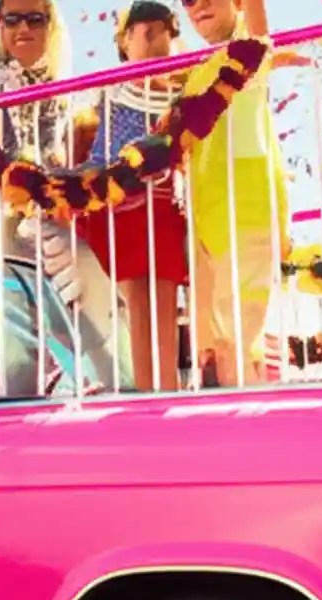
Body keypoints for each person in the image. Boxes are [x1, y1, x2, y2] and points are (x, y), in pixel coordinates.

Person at [0, 0, 132, 389]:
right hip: (0, 219)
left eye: (34, 19)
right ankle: (18, 402)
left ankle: (121, 394)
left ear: (49, 25)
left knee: (90, 303)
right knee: (11, 325)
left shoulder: (61, 87)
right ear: (0, 25)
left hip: (52, 215)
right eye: (12, 19)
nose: (23, 28)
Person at [75, 0, 187, 392]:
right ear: (125, 41)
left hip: (167, 203)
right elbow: (101, 153)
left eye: (165, 32)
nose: (157, 40)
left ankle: (167, 392)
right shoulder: (114, 93)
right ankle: (146, 393)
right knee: (137, 302)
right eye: (146, 32)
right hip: (124, 206)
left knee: (165, 300)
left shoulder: (186, 90)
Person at [181, 0, 288, 388]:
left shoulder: (247, 49)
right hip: (207, 218)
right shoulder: (195, 71)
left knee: (239, 333)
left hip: (247, 209)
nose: (199, 5)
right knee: (219, 342)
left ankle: (251, 417)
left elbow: (259, 33)